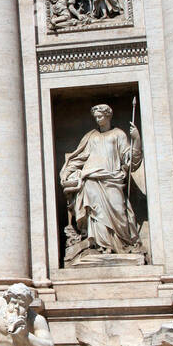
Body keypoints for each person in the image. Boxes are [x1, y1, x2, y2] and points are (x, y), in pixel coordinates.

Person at [60, 103, 143, 256]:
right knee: (95, 214)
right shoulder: (91, 136)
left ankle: (122, 244)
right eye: (96, 117)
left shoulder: (118, 134)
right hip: (91, 179)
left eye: (100, 117)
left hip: (112, 179)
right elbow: (79, 158)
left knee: (119, 211)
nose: (98, 120)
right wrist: (67, 171)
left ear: (108, 116)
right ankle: (100, 246)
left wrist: (136, 139)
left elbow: (130, 160)